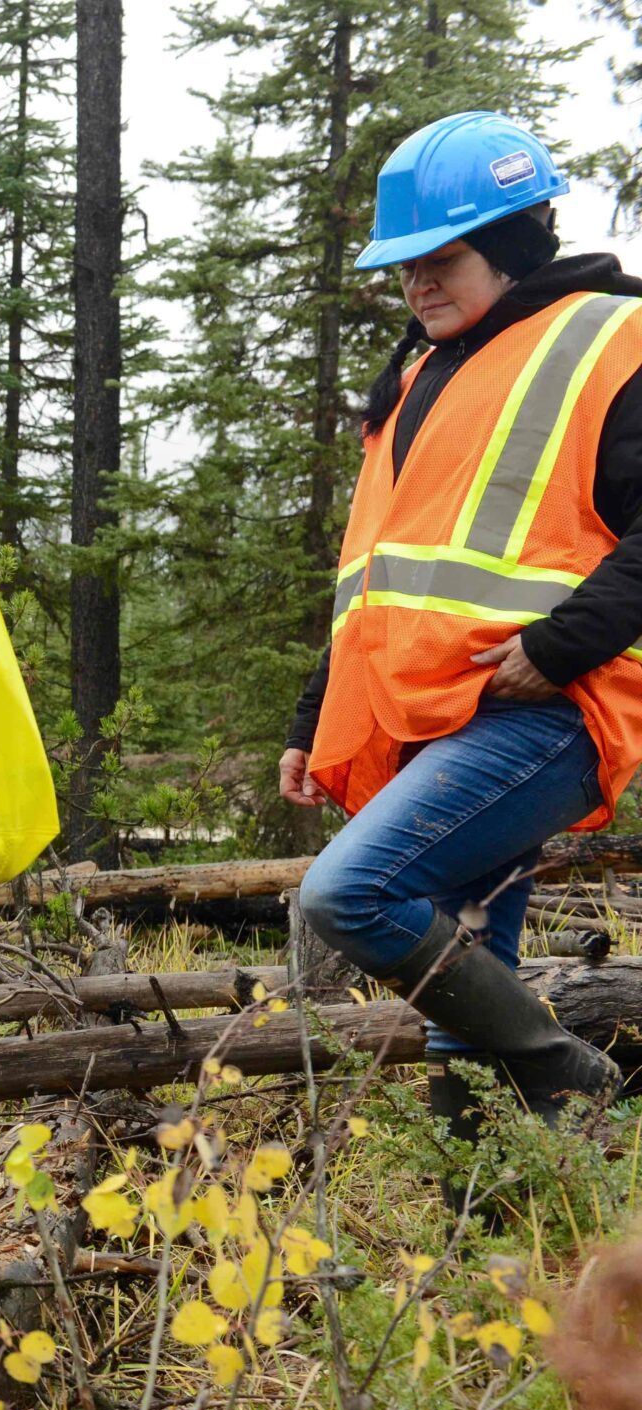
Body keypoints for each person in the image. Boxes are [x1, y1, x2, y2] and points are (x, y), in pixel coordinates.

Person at [279, 113, 641, 1183]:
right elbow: (376, 572)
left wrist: (562, 645)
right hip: (435, 715)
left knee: (348, 896)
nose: (417, 286)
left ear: (516, 243)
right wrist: (313, 715)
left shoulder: (612, 338)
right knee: (460, 976)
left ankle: (569, 1073)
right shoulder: (423, 373)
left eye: (441, 261)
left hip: (542, 714)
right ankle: (483, 1233)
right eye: (404, 268)